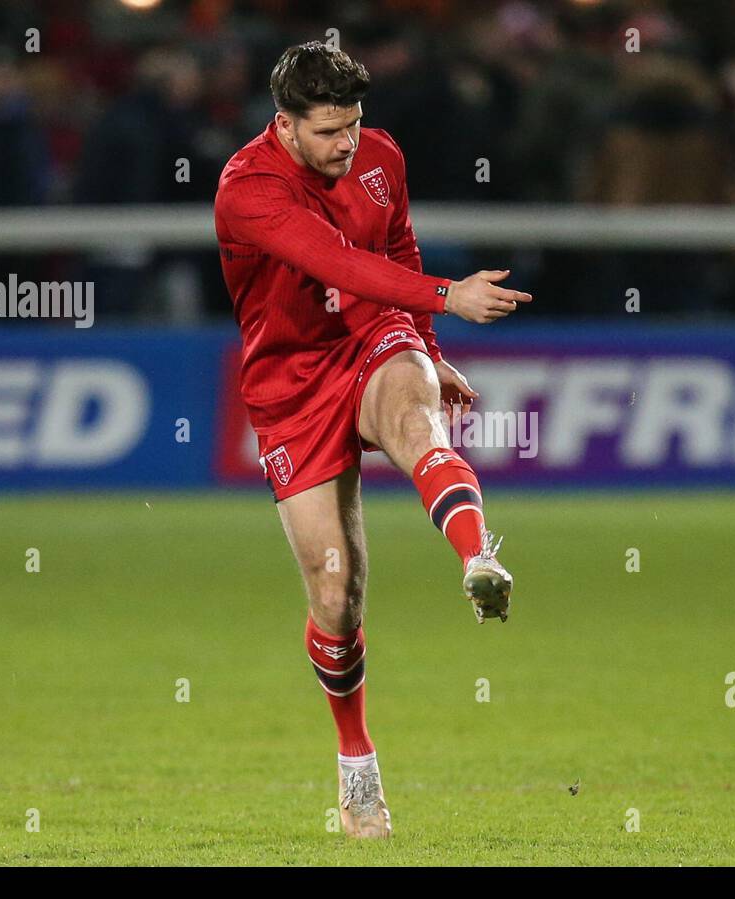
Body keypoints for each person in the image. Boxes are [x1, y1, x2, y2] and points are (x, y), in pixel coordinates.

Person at [214, 42, 532, 839]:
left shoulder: (381, 154)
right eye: (328, 131)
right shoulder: (247, 188)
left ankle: (478, 556)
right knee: (336, 590)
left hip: (374, 336)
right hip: (289, 383)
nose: (346, 143)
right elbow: (337, 262)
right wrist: (450, 296)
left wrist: (428, 343)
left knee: (418, 423)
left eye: (353, 124)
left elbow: (396, 253)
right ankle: (357, 765)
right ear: (284, 125)